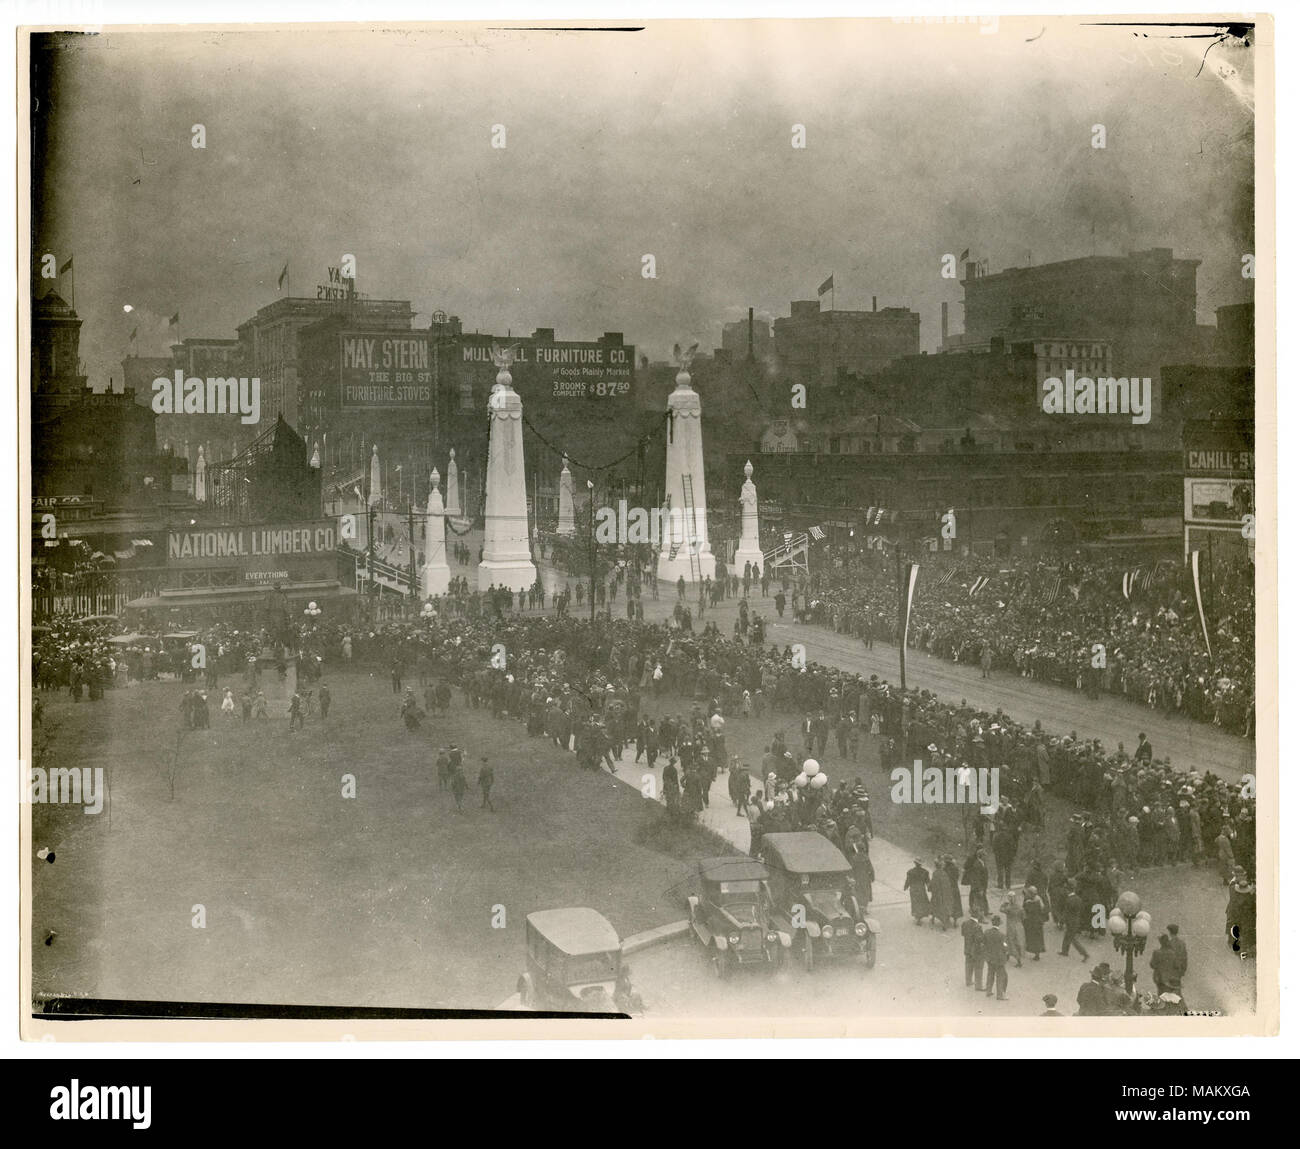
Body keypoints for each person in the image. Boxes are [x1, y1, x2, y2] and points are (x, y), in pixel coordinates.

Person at [1059, 881, 1090, 961]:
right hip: (1076, 920)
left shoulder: (1069, 900)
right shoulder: (1078, 899)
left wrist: (1061, 922)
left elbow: (1066, 913)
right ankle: (1064, 951)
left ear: (1068, 890)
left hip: (1070, 922)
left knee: (1072, 939)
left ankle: (1084, 953)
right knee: (1067, 936)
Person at [983, 915, 1009, 999]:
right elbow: (1005, 947)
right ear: (999, 924)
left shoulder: (986, 932)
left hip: (990, 958)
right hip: (999, 959)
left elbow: (984, 943)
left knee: (990, 974)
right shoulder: (1002, 935)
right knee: (1000, 976)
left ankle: (988, 991)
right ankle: (1000, 995)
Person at [961, 909, 985, 989]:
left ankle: (968, 981)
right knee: (978, 967)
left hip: (967, 948)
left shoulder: (965, 923)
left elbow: (963, 933)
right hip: (976, 950)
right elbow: (979, 939)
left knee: (968, 964)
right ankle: (978, 986)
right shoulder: (978, 926)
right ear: (977, 915)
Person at [1022, 886, 1047, 960]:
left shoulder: (1029, 902)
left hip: (1032, 923)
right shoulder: (1039, 900)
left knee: (1032, 938)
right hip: (1038, 922)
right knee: (1038, 939)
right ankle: (1037, 954)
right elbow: (1043, 910)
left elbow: (1025, 910)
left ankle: (1033, 952)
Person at [904, 859, 931, 925]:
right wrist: (929, 888)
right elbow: (928, 882)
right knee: (921, 903)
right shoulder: (925, 872)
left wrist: (905, 887)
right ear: (921, 864)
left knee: (915, 903)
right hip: (921, 889)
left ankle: (917, 917)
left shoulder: (910, 872)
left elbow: (908, 881)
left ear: (915, 863)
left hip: (913, 890)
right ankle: (919, 917)